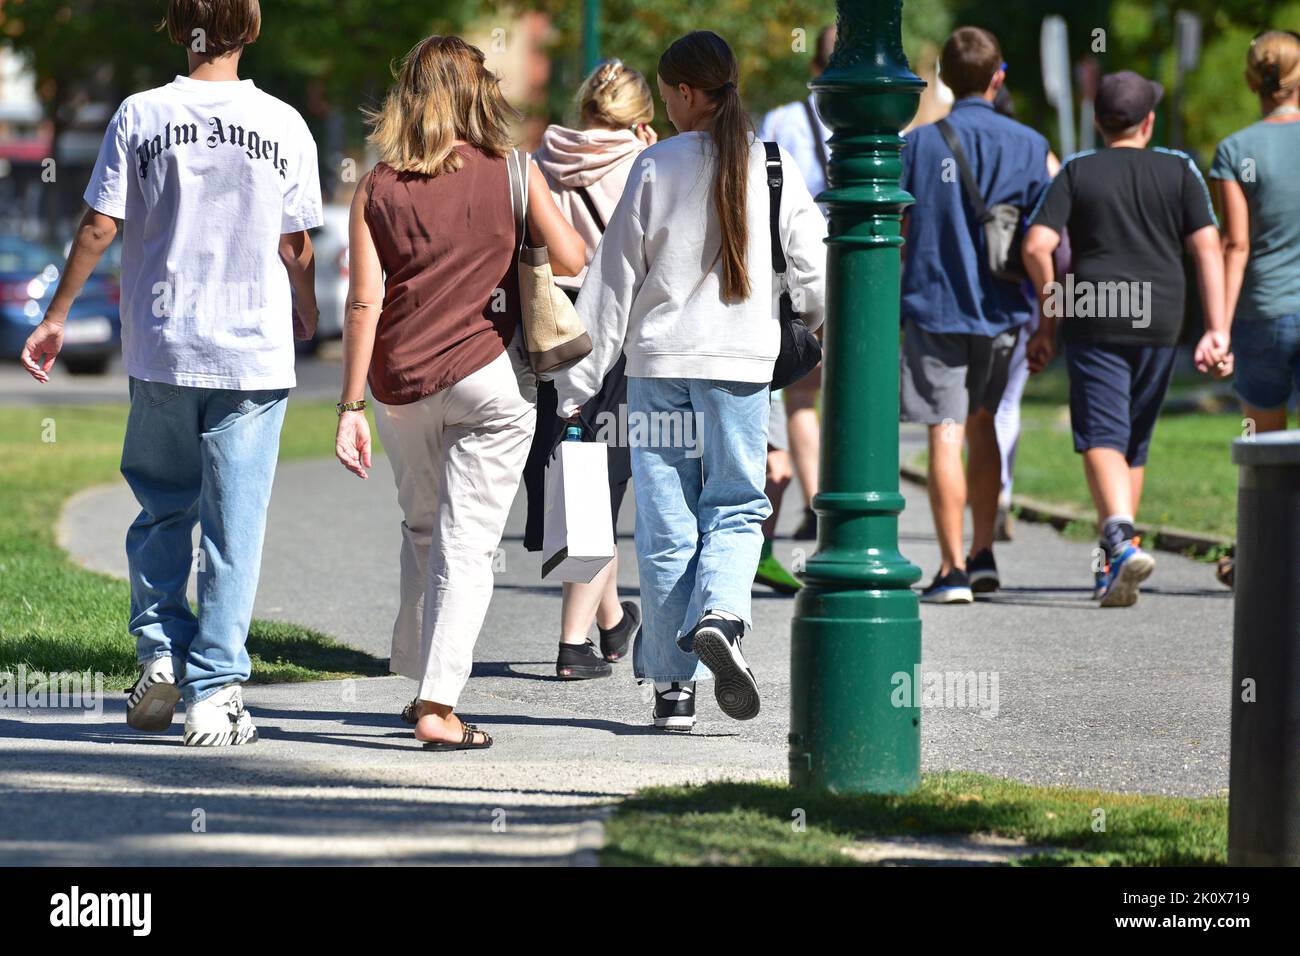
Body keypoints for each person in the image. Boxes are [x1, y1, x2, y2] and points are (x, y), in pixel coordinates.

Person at [22, 0, 321, 746]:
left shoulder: (140, 114)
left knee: (162, 508)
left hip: (163, 346)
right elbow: (296, 245)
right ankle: (214, 690)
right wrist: (306, 308)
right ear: (250, 29)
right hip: (250, 350)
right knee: (234, 525)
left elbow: (99, 225)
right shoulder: (285, 123)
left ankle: (160, 653)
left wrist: (57, 315)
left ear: (174, 27)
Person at [550, 31, 826, 731]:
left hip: (658, 367)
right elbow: (817, 272)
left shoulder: (655, 165)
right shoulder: (772, 164)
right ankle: (724, 618)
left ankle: (674, 694)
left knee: (668, 521)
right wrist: (811, 328)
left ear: (681, 93)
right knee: (735, 505)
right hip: (742, 366)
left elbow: (613, 285)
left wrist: (578, 384)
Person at [334, 35, 585, 750]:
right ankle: (436, 702)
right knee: (467, 544)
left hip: (401, 386)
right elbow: (571, 257)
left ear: (407, 98)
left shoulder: (378, 185)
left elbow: (363, 303)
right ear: (480, 95)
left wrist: (350, 406)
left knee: (422, 526)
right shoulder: (513, 171)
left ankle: (414, 665)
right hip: (490, 376)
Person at [1022, 70, 1225, 607]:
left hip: (1095, 312)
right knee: (1133, 440)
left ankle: (1115, 533)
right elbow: (1209, 248)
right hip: (1163, 315)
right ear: (1149, 120)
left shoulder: (1077, 169)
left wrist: (1051, 314)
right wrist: (1217, 327)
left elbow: (1037, 245)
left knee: (1101, 436)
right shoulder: (1180, 170)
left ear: (1097, 121)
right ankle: (1119, 557)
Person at [899, 26, 1051, 603]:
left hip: (935, 307)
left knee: (945, 430)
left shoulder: (919, 145)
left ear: (944, 78)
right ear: (999, 76)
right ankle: (984, 550)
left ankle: (951, 568)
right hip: (1005, 312)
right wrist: (1048, 320)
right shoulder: (1031, 145)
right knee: (985, 425)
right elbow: (1046, 239)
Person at [522, 59, 656, 678]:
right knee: (596, 488)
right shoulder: (644, 167)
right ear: (642, 116)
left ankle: (610, 622)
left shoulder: (543, 159)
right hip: (616, 333)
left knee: (578, 473)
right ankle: (573, 643)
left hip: (551, 333)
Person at [1203, 31, 1300, 588]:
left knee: (1262, 444)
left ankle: (1259, 557)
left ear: (1250, 81)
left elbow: (1234, 244)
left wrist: (1218, 326)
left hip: (1263, 310)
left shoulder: (1235, 149)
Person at [757, 25, 835, 549]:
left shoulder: (785, 119)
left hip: (797, 269)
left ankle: (814, 501)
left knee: (802, 397)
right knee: (850, 391)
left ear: (814, 67)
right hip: (860, 267)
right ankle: (842, 499)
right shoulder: (887, 123)